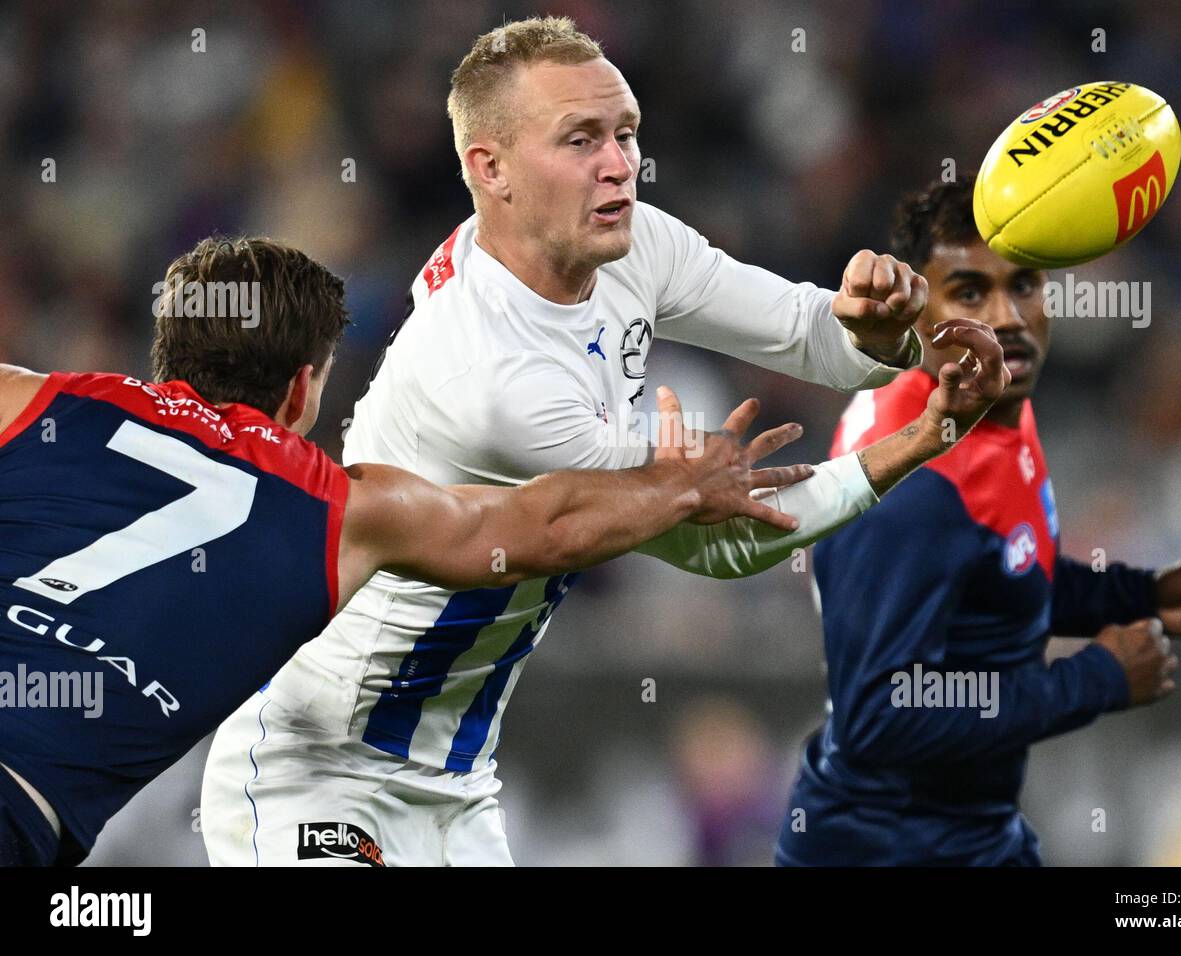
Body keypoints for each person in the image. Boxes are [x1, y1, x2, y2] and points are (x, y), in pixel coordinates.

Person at [200, 16, 1010, 866]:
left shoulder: (632, 244)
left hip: (457, 781)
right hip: (317, 768)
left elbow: (812, 333)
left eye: (625, 133)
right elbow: (723, 544)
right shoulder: (488, 378)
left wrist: (884, 334)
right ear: (491, 168)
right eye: (580, 139)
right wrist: (921, 438)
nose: (619, 163)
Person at [0, 234, 821, 867]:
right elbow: (543, 527)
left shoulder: (32, 398)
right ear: (303, 388)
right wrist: (678, 485)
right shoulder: (343, 508)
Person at [776, 175, 1181, 867]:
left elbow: (1006, 572)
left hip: (965, 834)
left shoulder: (992, 407)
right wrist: (1093, 682)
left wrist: (1143, 595)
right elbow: (878, 714)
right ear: (915, 311)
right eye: (969, 292)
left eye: (1024, 285)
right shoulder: (908, 486)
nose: (1006, 316)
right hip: (881, 848)